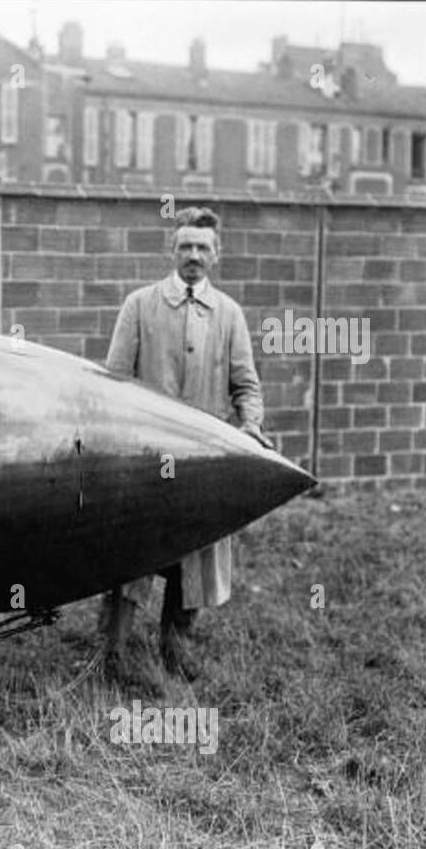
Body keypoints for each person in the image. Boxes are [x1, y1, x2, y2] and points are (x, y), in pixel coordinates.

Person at [101, 206, 273, 682]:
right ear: (170, 251)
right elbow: (112, 383)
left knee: (195, 553)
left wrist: (250, 425)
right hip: (147, 457)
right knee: (132, 553)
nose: (193, 255)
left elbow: (246, 386)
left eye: (202, 247)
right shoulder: (140, 305)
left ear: (216, 255)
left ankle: (175, 649)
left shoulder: (229, 315)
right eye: (185, 246)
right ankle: (114, 653)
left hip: (203, 459)